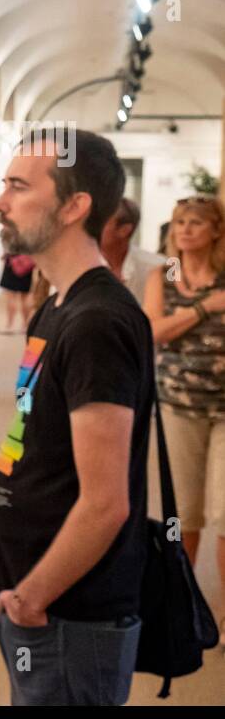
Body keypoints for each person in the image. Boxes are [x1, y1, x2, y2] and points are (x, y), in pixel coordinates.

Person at [0, 128, 151, 706]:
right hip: (36, 594)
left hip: (67, 607)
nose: (1, 202)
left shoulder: (96, 321)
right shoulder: (57, 304)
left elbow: (106, 502)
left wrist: (33, 595)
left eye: (18, 187)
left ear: (75, 205)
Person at [142, 195, 225, 614]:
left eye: (195, 222)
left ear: (216, 230)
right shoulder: (167, 273)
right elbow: (153, 331)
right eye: (179, 222)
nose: (185, 230)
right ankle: (183, 607)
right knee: (183, 514)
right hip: (179, 405)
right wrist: (204, 307)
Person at [101, 197, 162, 306]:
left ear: (124, 230)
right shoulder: (76, 264)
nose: (90, 228)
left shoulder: (161, 265)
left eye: (100, 223)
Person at [0, 251, 34, 332]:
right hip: (27, 264)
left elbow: (8, 247)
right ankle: (25, 326)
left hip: (12, 264)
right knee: (25, 296)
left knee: (11, 297)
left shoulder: (12, 238)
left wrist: (5, 255)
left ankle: (10, 325)